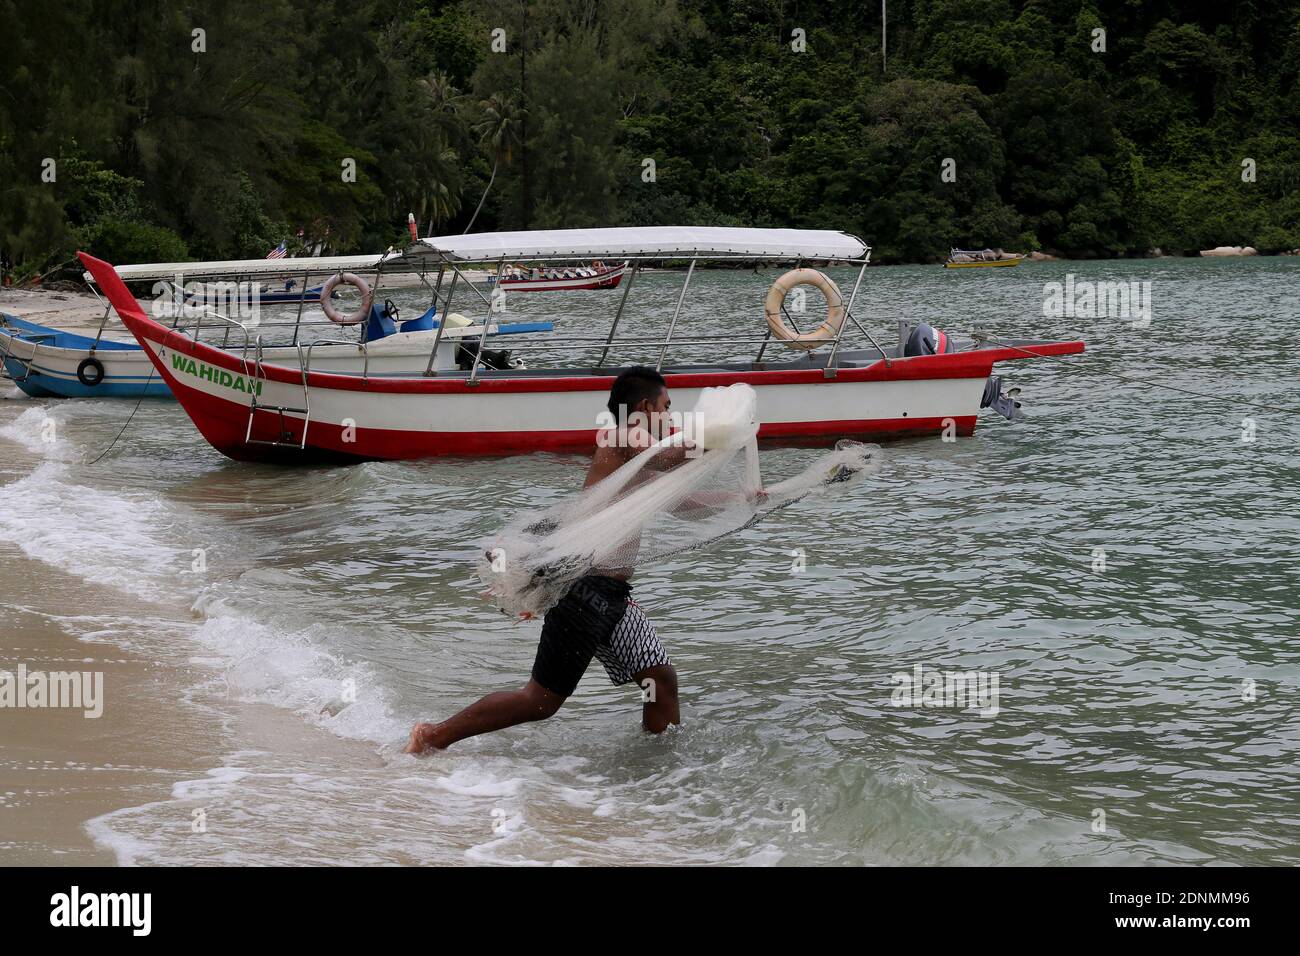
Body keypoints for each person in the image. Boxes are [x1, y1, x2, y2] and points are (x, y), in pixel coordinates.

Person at [405, 367, 686, 754]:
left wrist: (753, 495)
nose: (671, 416)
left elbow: (690, 505)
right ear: (643, 407)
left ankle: (660, 773)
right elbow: (674, 456)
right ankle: (432, 736)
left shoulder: (640, 461)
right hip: (584, 590)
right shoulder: (622, 438)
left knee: (660, 679)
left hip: (615, 596)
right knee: (540, 701)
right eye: (667, 407)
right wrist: (720, 435)